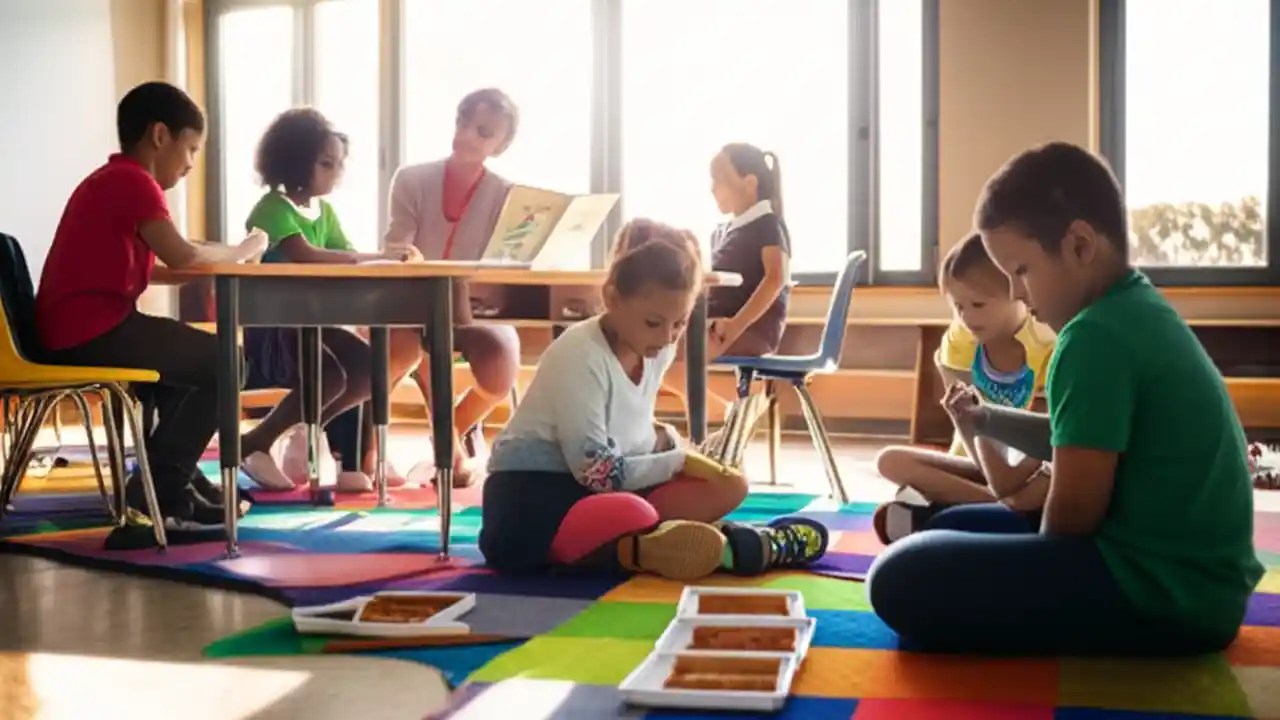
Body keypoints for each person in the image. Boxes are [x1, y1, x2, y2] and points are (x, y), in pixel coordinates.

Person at [867, 141, 1264, 656]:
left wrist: (1033, 567)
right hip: (1194, 581)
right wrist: (986, 419)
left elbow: (1071, 518)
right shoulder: (1132, 308)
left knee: (899, 577)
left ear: (1079, 246)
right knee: (950, 524)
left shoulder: (1093, 338)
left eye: (1021, 271)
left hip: (1164, 591)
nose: (1018, 292)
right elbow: (1076, 438)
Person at [479, 219, 828, 579]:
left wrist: (678, 448)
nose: (666, 337)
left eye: (678, 324)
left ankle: (676, 546)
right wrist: (678, 461)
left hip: (605, 493)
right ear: (612, 299)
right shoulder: (579, 354)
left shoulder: (653, 348)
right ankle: (718, 544)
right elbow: (598, 473)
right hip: (534, 501)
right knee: (632, 512)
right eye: (653, 322)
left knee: (729, 485)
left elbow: (633, 433)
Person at [35, 81, 267, 529]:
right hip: (90, 330)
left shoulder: (114, 180)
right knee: (225, 363)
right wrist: (246, 248)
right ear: (160, 136)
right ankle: (165, 487)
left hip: (78, 326)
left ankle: (167, 481)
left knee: (187, 373)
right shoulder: (133, 182)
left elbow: (177, 253)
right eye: (192, 149)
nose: (191, 164)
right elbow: (182, 255)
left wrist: (226, 251)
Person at [347, 87, 523, 487]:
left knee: (499, 368)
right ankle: (380, 450)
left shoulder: (506, 195)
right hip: (409, 302)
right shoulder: (412, 179)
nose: (467, 135)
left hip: (472, 309)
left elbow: (506, 261)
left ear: (500, 145)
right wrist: (408, 259)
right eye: (463, 122)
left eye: (483, 132)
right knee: (408, 348)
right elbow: (397, 246)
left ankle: (449, 433)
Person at [239, 107, 420, 492]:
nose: (335, 172)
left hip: (315, 320)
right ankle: (259, 439)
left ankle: (290, 430)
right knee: (331, 377)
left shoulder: (326, 212)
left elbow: (345, 255)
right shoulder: (271, 208)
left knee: (370, 371)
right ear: (294, 162)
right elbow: (307, 255)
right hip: (275, 324)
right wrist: (379, 257)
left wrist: (378, 262)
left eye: (338, 164)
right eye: (325, 163)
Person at [872, 233, 1056, 544]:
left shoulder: (1047, 349)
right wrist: (966, 423)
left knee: (1048, 488)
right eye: (958, 307)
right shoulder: (960, 343)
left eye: (978, 304)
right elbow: (974, 439)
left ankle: (953, 513)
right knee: (889, 460)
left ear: (1018, 293)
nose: (967, 317)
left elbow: (1037, 455)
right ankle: (995, 512)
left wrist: (979, 424)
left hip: (1026, 473)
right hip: (978, 463)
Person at [666, 143, 792, 432]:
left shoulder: (768, 224)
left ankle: (725, 423)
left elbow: (775, 279)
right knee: (655, 348)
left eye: (720, 179)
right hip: (715, 324)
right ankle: (722, 423)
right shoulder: (721, 231)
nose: (713, 188)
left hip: (750, 328)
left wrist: (735, 326)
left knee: (664, 354)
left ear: (750, 183)